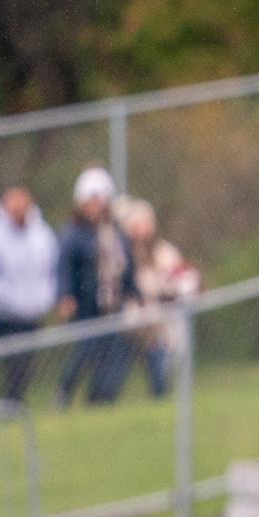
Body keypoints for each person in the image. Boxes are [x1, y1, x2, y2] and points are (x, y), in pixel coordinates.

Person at [54, 167, 136, 407]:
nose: (95, 205)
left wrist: (134, 294)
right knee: (85, 351)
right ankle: (64, 393)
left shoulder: (115, 232)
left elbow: (126, 269)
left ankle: (100, 400)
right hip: (87, 306)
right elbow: (65, 267)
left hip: (112, 305)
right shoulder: (73, 234)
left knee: (113, 355)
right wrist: (66, 296)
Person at [116, 197, 201, 399]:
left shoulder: (163, 251)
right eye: (137, 226)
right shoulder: (126, 255)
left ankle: (170, 388)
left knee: (173, 342)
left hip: (164, 313)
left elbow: (179, 277)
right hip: (138, 314)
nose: (142, 230)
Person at [0, 185, 59, 402]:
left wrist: (42, 299)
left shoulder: (42, 235)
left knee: (25, 366)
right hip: (3, 314)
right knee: (11, 362)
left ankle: (15, 404)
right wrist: (10, 300)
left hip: (32, 313)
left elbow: (50, 269)